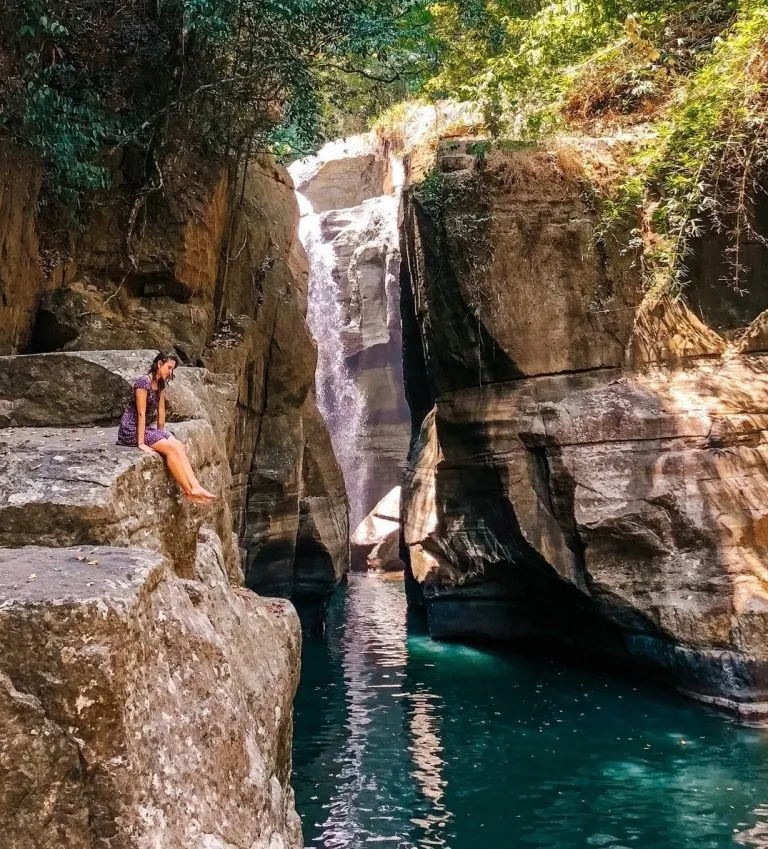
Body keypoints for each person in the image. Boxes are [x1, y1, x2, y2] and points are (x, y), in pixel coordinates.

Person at [117, 352, 216, 503]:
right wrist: (141, 443)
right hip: (132, 429)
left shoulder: (161, 383)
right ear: (159, 364)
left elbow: (161, 410)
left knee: (179, 446)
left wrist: (161, 433)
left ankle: (195, 486)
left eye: (172, 369)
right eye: (168, 368)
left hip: (147, 428)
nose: (170, 372)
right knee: (171, 449)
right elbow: (141, 413)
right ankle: (189, 491)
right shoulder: (143, 383)